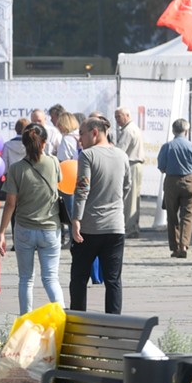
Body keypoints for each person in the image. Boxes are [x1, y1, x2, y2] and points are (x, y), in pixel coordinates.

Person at [0, 124, 65, 314]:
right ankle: (63, 318)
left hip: (24, 228)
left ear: (24, 144)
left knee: (26, 279)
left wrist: (2, 232)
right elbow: (58, 186)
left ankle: (25, 320)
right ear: (44, 142)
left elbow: (10, 204)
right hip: (50, 228)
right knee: (51, 278)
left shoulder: (16, 169)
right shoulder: (53, 163)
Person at [70, 115, 131, 314]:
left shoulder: (88, 155)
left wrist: (76, 218)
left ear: (94, 133)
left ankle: (78, 323)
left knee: (79, 278)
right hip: (115, 227)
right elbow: (127, 186)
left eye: (82, 134)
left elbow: (82, 188)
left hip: (90, 226)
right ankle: (114, 326)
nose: (80, 139)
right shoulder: (122, 155)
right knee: (113, 280)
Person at [156, 118, 192, 259]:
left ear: (173, 131)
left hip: (171, 182)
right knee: (188, 215)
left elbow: (161, 167)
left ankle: (175, 247)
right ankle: (184, 244)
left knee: (172, 215)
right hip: (188, 180)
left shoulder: (167, 147)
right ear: (186, 131)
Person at [112, 107, 146, 236]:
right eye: (115, 117)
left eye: (118, 117)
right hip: (134, 165)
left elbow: (120, 151)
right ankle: (133, 226)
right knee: (134, 198)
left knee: (130, 199)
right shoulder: (132, 128)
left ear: (126, 115)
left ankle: (130, 227)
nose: (117, 120)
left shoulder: (128, 130)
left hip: (132, 164)